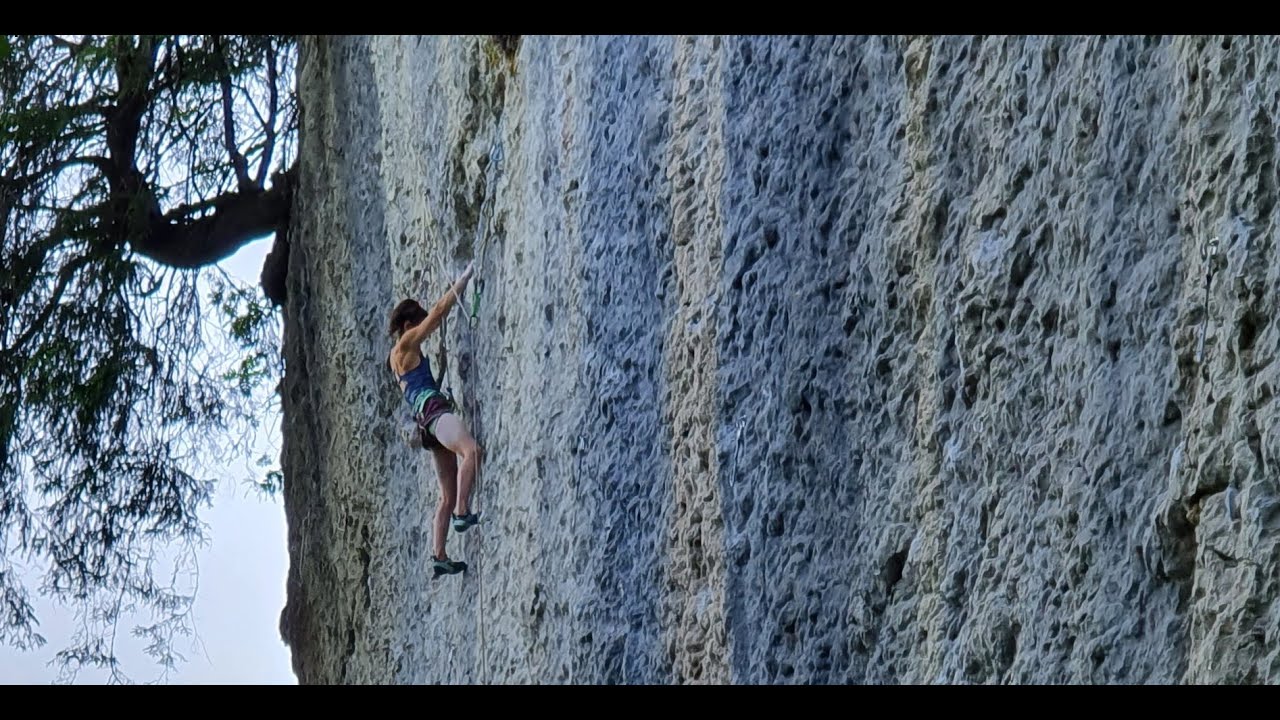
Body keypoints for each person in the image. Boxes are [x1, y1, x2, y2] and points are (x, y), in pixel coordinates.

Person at [387, 262, 481, 577]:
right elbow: (438, 313)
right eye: (418, 321)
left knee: (445, 494)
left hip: (425, 424)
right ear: (409, 323)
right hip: (434, 413)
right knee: (471, 451)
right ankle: (462, 513)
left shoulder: (393, 358)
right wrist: (463, 279)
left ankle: (439, 554)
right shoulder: (406, 343)